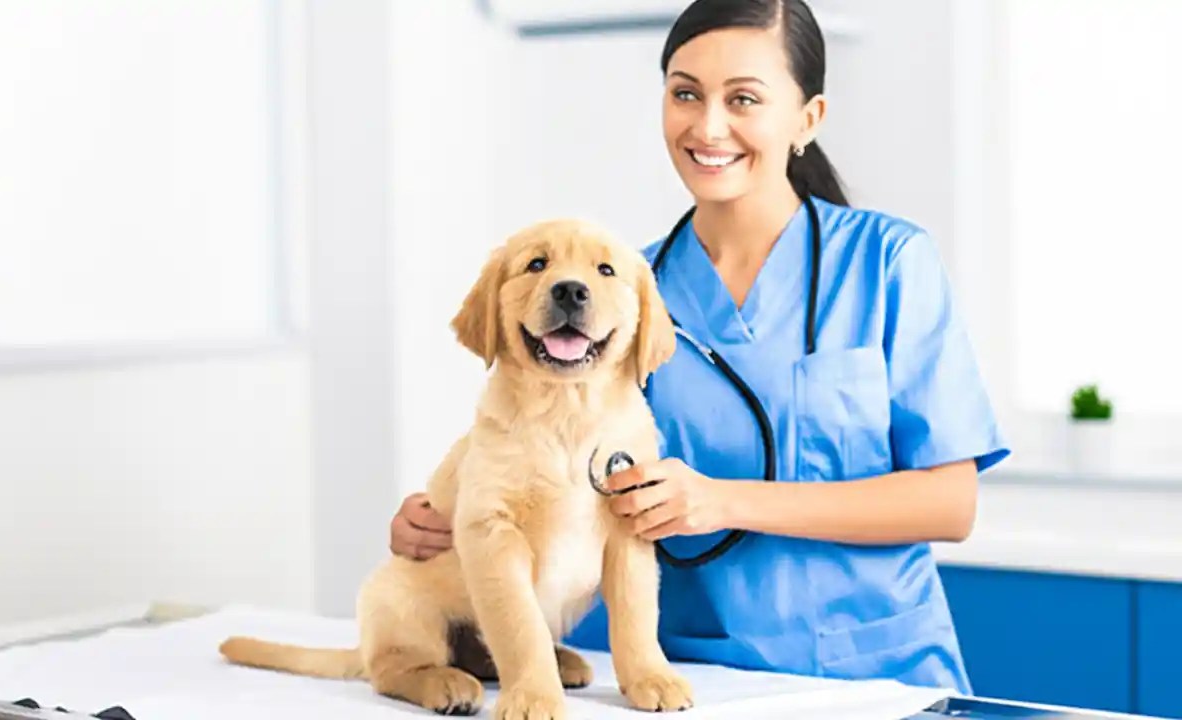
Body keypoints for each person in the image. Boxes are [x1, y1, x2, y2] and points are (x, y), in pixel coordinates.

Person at [388, 0, 1008, 696]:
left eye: (744, 98)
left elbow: (950, 505)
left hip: (871, 671)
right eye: (685, 93)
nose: (708, 126)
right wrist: (446, 516)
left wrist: (724, 501)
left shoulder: (890, 263)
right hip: (686, 673)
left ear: (807, 119)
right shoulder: (624, 290)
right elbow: (542, 451)